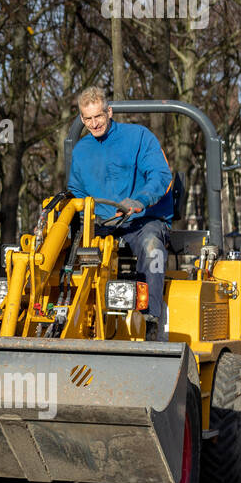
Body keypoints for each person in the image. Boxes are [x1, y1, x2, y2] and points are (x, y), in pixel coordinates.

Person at [68, 85, 174, 337]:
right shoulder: (81, 150)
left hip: (141, 220)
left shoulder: (138, 137)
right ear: (82, 119)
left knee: (152, 246)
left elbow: (160, 175)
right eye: (88, 119)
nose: (94, 124)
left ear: (109, 112)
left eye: (99, 117)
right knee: (64, 247)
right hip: (102, 224)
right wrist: (87, 215)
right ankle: (69, 319)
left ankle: (151, 321)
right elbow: (76, 191)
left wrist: (140, 199)